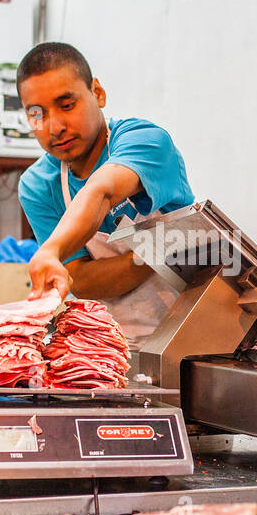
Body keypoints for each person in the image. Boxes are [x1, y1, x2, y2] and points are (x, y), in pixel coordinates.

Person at [16, 42, 194, 343]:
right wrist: (159, 251)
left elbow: (103, 190)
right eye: (36, 113)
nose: (54, 126)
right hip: (111, 348)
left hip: (192, 332)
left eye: (67, 105)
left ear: (97, 93)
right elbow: (82, 280)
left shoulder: (145, 140)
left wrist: (50, 251)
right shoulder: (37, 185)